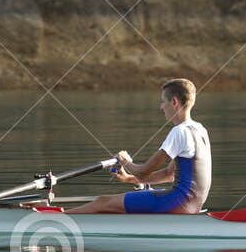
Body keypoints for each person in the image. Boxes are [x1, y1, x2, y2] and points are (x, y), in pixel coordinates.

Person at [66, 79, 211, 215]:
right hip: (192, 203)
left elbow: (143, 172)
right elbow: (169, 174)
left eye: (163, 102)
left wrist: (125, 161)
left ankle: (56, 219)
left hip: (177, 202)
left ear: (174, 102)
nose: (161, 107)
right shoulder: (200, 129)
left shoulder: (179, 131)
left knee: (102, 201)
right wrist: (130, 179)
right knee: (115, 205)